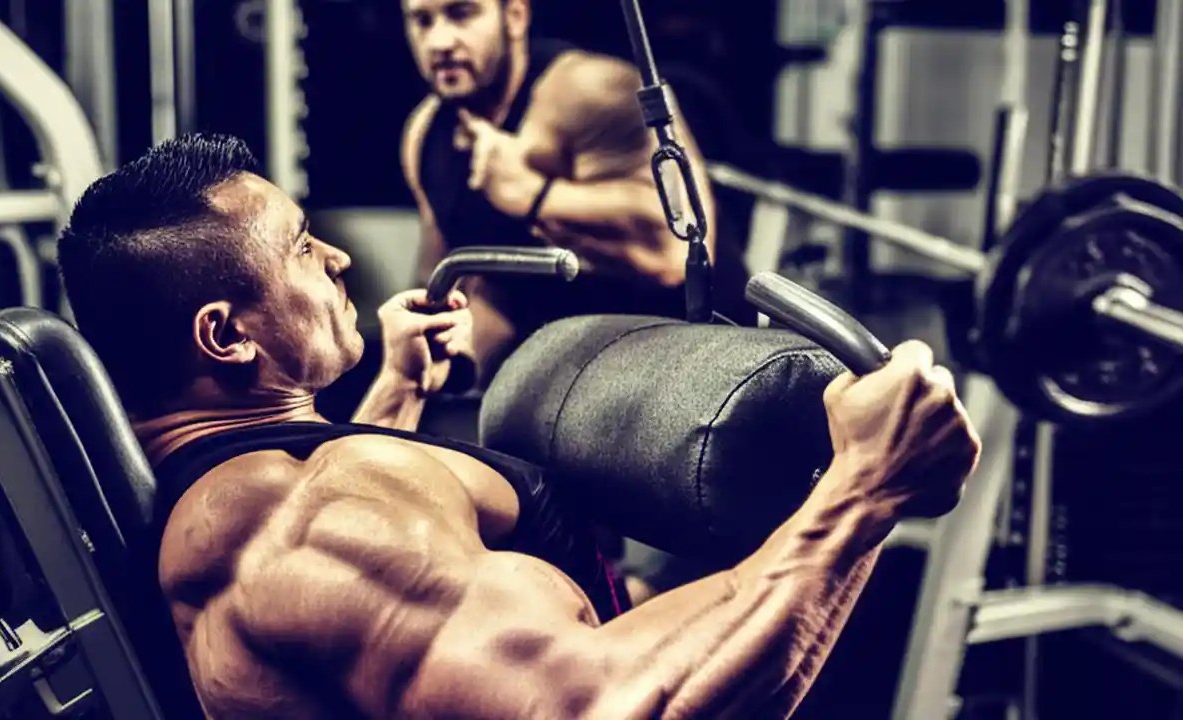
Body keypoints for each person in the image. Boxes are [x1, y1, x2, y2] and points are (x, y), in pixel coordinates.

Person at [57, 134, 981, 719]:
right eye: (301, 247)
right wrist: (866, 488)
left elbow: (335, 591)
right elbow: (600, 709)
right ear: (224, 335)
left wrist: (394, 405)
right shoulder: (315, 519)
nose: (337, 258)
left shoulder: (236, 493)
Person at [400, 0, 754, 384]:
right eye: (422, 20)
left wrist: (534, 195)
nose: (439, 41)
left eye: (462, 14)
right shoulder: (424, 134)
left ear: (514, 17)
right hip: (565, 369)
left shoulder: (591, 91)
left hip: (692, 362)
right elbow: (457, 279)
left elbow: (674, 251)